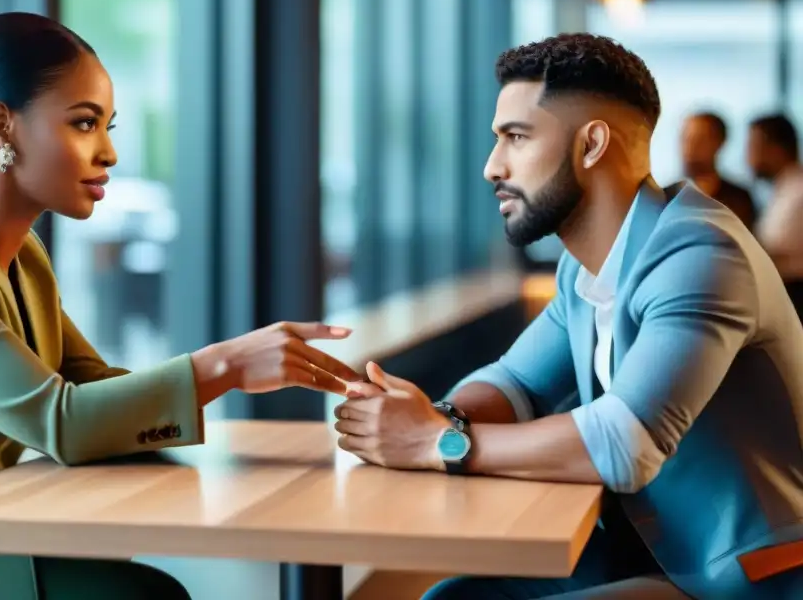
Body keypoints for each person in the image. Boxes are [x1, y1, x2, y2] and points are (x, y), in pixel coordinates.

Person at [0, 12, 360, 600]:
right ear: (1, 126)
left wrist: (216, 383)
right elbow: (63, 420)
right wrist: (226, 366)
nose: (108, 152)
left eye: (108, 126)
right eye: (84, 124)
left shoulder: (19, 253)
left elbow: (92, 387)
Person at [334, 34, 803, 599]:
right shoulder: (585, 271)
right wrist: (431, 417)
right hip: (649, 550)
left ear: (591, 145)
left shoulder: (701, 254)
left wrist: (436, 443)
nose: (492, 167)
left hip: (746, 577)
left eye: (516, 137)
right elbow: (517, 383)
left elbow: (624, 444)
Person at [747, 114, 803, 316]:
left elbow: (772, 249)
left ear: (776, 150)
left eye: (754, 147)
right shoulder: (781, 189)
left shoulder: (797, 193)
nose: (748, 158)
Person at [679, 111, 756, 230]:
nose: (689, 148)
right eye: (685, 139)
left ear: (719, 143)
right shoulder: (665, 199)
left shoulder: (738, 200)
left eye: (699, 140)